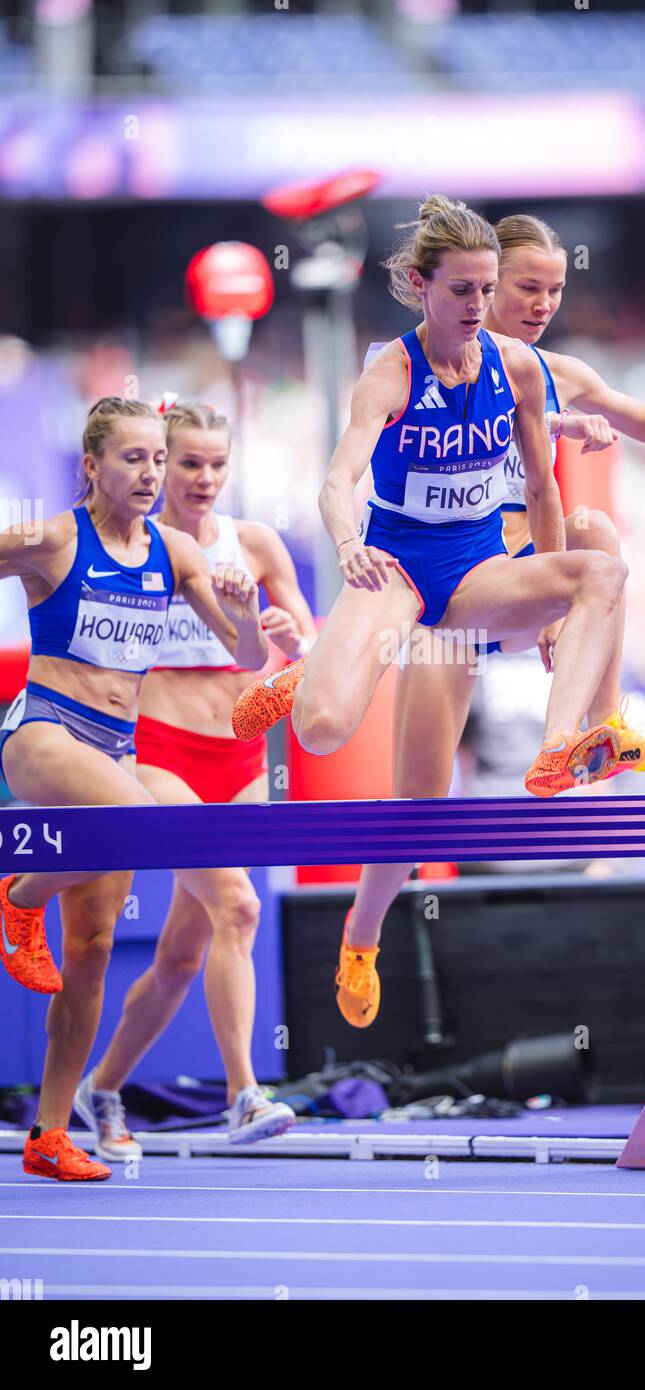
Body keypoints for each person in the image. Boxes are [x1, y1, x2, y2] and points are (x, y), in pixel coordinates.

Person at [332, 211, 645, 1026]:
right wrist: (564, 427)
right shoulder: (405, 363)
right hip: (442, 597)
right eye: (524, 287)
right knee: (418, 800)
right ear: (468, 288)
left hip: (513, 575)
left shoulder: (548, 369)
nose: (540, 304)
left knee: (600, 541)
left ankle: (591, 732)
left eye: (554, 290)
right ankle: (362, 934)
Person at [234, 194, 628, 812]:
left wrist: (551, 605)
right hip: (395, 569)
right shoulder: (391, 373)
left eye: (487, 290)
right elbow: (337, 482)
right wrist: (347, 545)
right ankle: (306, 678)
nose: (477, 307)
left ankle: (559, 745)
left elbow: (541, 487)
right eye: (461, 290)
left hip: (477, 572)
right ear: (420, 284)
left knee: (603, 568)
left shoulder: (517, 367)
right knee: (323, 730)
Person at [0, 396, 268, 1180]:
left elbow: (246, 656)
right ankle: (20, 897)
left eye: (159, 458)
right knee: (149, 823)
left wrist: (250, 614)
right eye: (133, 459)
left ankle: (50, 1133)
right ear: (92, 465)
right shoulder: (51, 539)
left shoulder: (176, 553)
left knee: (90, 951)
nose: (151, 473)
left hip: (113, 752)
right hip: (45, 735)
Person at [75, 401, 316, 1160]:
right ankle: (244, 1095)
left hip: (243, 761)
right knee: (238, 907)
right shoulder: (135, 550)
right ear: (156, 464)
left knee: (182, 955)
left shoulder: (255, 542)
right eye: (187, 463)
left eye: (217, 464)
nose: (203, 478)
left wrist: (287, 635)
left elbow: (305, 640)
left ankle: (102, 1087)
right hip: (159, 754)